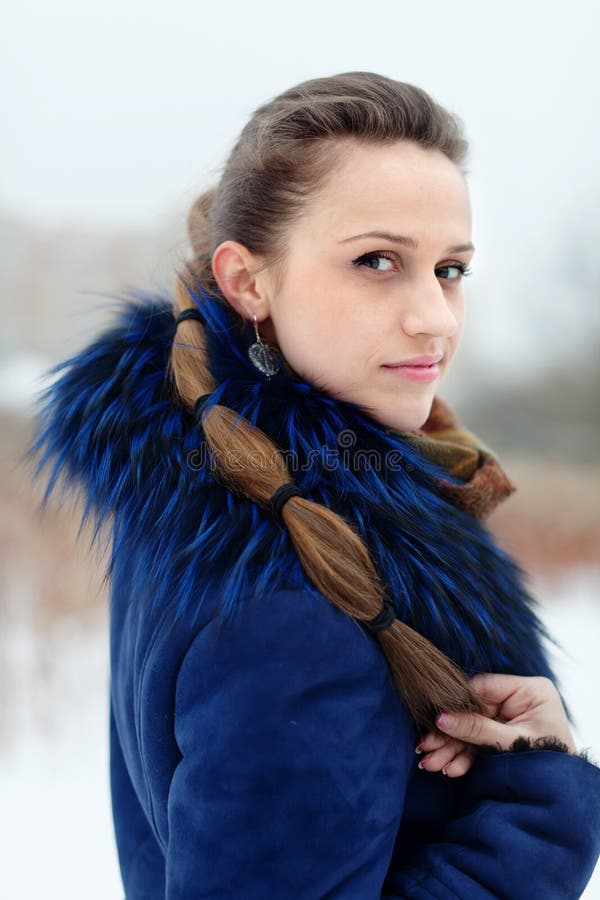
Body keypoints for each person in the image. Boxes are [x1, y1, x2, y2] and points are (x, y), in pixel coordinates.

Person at [26, 71, 600, 898]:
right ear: (249, 281)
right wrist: (540, 814)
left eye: (451, 269)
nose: (436, 316)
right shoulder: (291, 613)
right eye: (377, 261)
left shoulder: (226, 494)